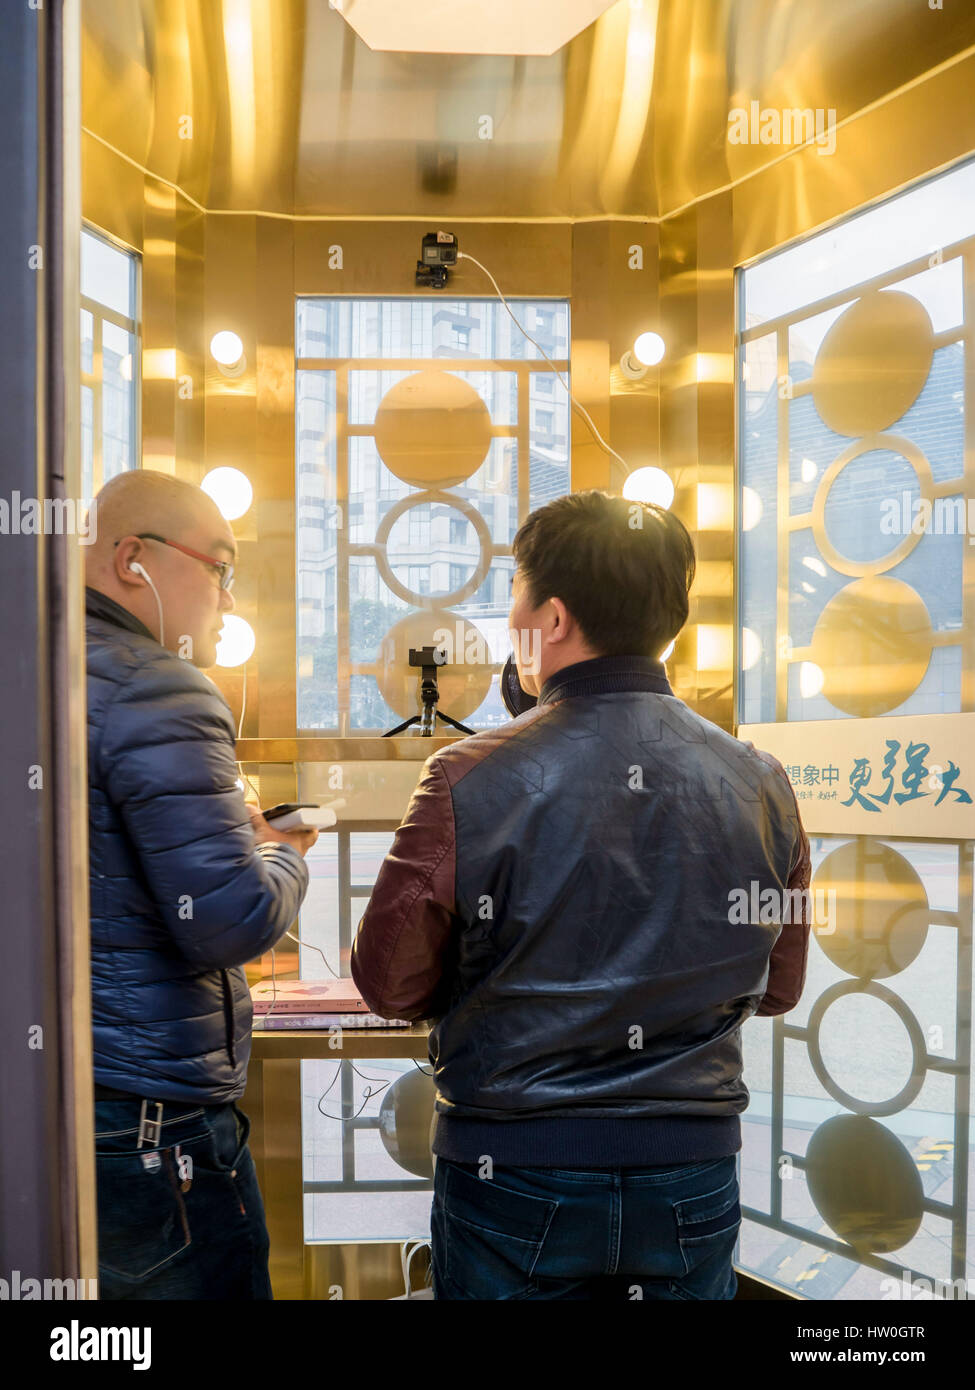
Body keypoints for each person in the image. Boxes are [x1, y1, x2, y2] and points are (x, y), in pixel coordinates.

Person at [351, 489, 810, 1301]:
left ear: (553, 619)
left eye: (516, 604)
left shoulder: (465, 775)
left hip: (513, 1167)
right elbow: (778, 987)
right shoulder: (763, 782)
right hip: (692, 1171)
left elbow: (389, 983)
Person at [84, 469, 318, 1300]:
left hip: (68, 1102)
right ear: (131, 561)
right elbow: (230, 923)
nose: (226, 596)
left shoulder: (40, 671)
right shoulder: (159, 685)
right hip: (155, 1123)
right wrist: (286, 851)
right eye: (217, 567)